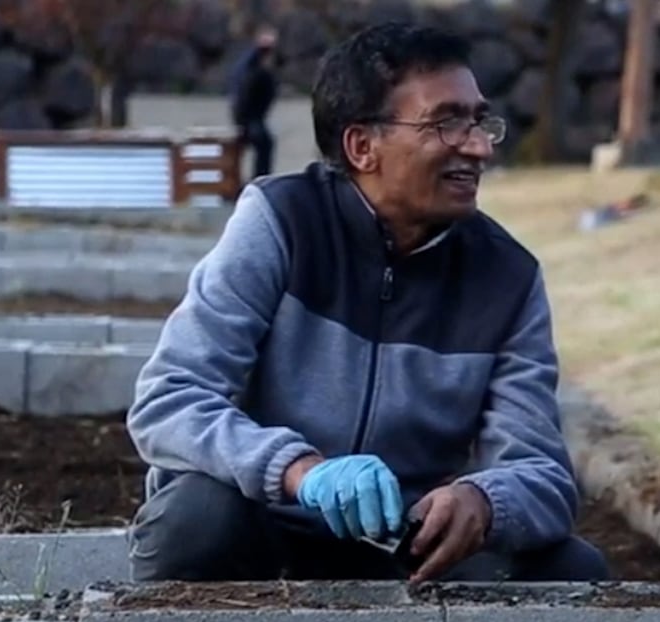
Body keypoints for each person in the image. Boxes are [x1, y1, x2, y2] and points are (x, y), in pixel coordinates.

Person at [125, 22, 609, 585]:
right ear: (362, 146)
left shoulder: (508, 276)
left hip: (404, 546)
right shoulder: (280, 221)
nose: (477, 146)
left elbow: (543, 474)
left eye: (479, 121)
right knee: (199, 518)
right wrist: (300, 471)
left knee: (571, 568)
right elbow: (169, 401)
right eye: (447, 123)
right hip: (261, 521)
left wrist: (483, 499)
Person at [229, 25, 279, 181]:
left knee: (265, 142)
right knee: (265, 143)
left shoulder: (250, 63)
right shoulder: (255, 68)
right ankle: (260, 179)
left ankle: (257, 177)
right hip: (249, 118)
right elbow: (245, 95)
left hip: (249, 116)